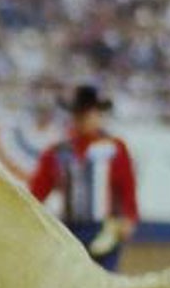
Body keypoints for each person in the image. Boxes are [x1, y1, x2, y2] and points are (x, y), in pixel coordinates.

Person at [30, 84, 139, 270]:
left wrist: (129, 218)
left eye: (91, 113)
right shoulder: (57, 152)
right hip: (69, 230)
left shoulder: (115, 148)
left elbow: (127, 186)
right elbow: (39, 190)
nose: (86, 119)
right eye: (81, 114)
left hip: (103, 229)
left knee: (104, 285)